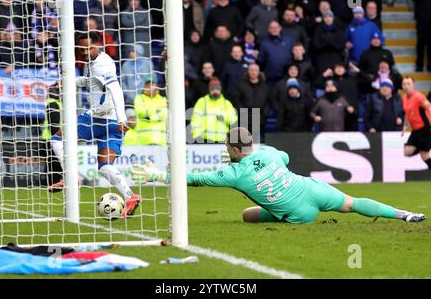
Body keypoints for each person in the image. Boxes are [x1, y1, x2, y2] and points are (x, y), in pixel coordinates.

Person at [131, 127, 426, 224]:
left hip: (298, 213)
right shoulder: (268, 151)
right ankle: (405, 215)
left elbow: (192, 178)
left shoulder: (231, 174)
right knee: (352, 202)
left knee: (248, 215)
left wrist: (158, 174)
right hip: (312, 188)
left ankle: (282, 214)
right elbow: (285, 159)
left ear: (232, 149)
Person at [49, 32, 141, 219]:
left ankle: (72, 177)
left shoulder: (101, 64)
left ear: (98, 45)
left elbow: (116, 89)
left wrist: (123, 118)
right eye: (82, 48)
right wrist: (67, 82)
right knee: (105, 166)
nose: (85, 51)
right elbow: (90, 82)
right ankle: (131, 196)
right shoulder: (93, 62)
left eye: (89, 47)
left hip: (100, 117)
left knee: (57, 138)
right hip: (113, 123)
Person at [190, 78, 238, 143]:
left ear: (220, 90)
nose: (215, 91)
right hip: (204, 139)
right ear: (209, 90)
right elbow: (195, 120)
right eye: (212, 89)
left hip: (222, 140)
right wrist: (196, 136)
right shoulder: (202, 102)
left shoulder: (226, 103)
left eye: (217, 89)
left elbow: (233, 120)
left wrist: (223, 117)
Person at [401, 77, 431, 170]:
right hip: (416, 130)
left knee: (424, 155)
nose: (406, 86)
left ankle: (422, 147)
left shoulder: (419, 96)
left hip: (425, 129)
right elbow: (407, 112)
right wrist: (405, 125)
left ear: (414, 85)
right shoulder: (404, 97)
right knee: (407, 152)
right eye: (404, 84)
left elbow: (429, 108)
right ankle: (421, 147)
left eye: (408, 84)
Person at [257, 20, 295, 87]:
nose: (274, 29)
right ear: (269, 29)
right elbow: (261, 60)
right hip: (270, 79)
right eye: (272, 28)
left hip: (286, 78)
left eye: (276, 27)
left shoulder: (289, 40)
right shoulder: (264, 43)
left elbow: (294, 55)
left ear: (280, 28)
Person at [133, 77, 167, 146]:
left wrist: (148, 115)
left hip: (160, 140)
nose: (150, 87)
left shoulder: (162, 99)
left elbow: (163, 114)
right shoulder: (139, 98)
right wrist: (155, 112)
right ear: (145, 87)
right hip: (143, 140)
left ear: (156, 86)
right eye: (148, 85)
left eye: (152, 84)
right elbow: (140, 112)